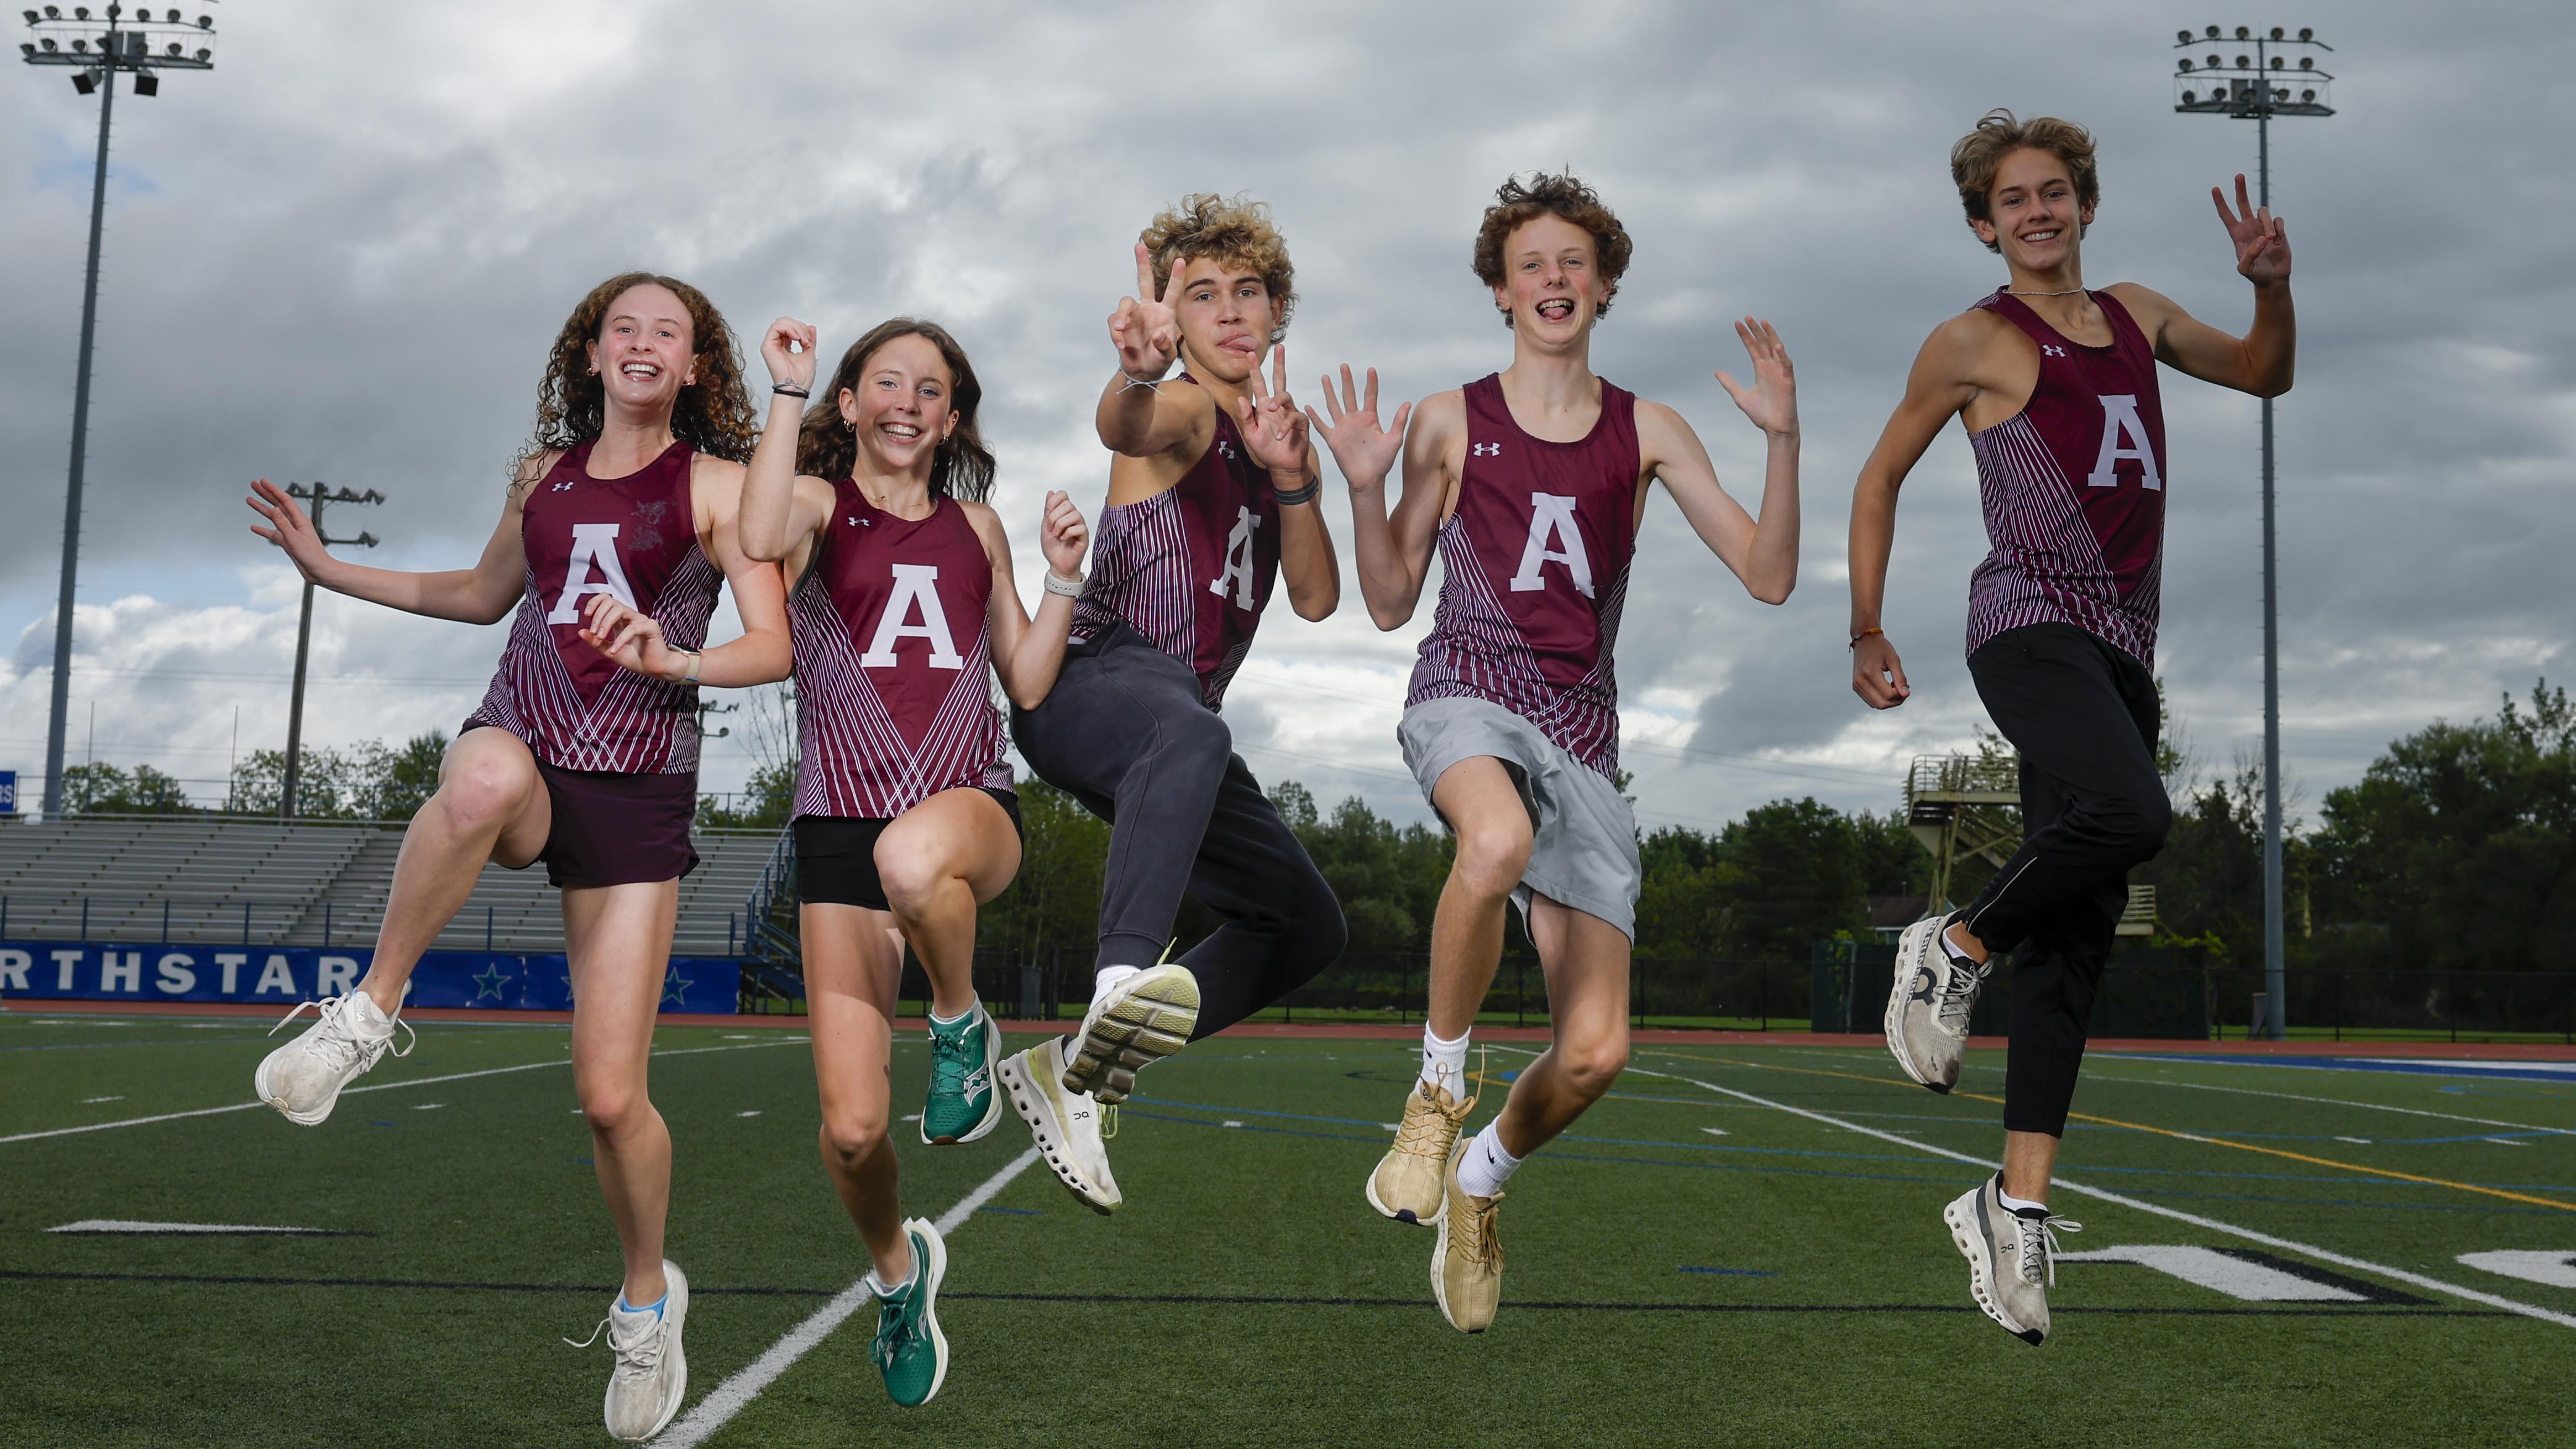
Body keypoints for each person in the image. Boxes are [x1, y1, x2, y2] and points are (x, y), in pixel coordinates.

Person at [246, 273, 790, 1438]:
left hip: (638, 791)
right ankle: (367, 1010)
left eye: (669, 332)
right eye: (623, 327)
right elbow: (484, 593)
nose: (642, 343)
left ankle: (649, 1298)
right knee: (480, 776)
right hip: (531, 754)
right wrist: (329, 569)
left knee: (608, 1096)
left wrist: (671, 658)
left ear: (695, 368)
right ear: (591, 353)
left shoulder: (718, 486)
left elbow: (773, 643)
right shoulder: (538, 477)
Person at [1314, 172, 1801, 1332]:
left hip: (1582, 733)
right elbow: (1386, 601)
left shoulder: (1650, 429)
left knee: (1596, 1051)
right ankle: (1435, 1087)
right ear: (1499, 289)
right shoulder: (1449, 416)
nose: (1552, 280)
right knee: (1493, 837)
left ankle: (1479, 1178)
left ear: (1606, 283)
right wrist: (1367, 483)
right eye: (1530, 264)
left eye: (1572, 262)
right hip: (1468, 694)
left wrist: (1783, 441)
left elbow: (1770, 574)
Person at [1853, 111, 2296, 1345]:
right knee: (2133, 813)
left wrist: (2276, 289)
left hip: (2122, 655)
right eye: (2013, 198)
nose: (2037, 210)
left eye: (2056, 191)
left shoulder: (2144, 314)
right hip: (2025, 626)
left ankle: (2014, 1207)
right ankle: (1954, 948)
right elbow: (1879, 474)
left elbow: (2267, 373)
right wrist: (1864, 627)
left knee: (2081, 939)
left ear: (2086, 206)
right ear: (1985, 223)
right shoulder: (1973, 341)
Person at [638, 313, 1084, 1407]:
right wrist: (783, 393)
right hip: (837, 830)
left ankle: (958, 1019)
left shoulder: (978, 525)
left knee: (913, 854)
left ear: (952, 417)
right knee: (851, 1129)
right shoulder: (814, 510)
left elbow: (1023, 680)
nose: (907, 403)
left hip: (963, 809)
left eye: (930, 390)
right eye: (886, 383)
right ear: (852, 404)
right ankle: (899, 1269)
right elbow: (750, 524)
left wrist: (1066, 577)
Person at [994, 193, 1350, 1215]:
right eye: (1203, 295)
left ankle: (1075, 1067)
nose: (1231, 313)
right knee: (1191, 725)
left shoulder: (1278, 435)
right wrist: (1138, 370)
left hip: (1175, 731)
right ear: (1174, 315)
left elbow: (1319, 598)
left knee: (1306, 924)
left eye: (1249, 293)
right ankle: (1116, 985)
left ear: (1279, 312)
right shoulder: (1185, 406)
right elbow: (1127, 421)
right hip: (1093, 681)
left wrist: (1295, 483)